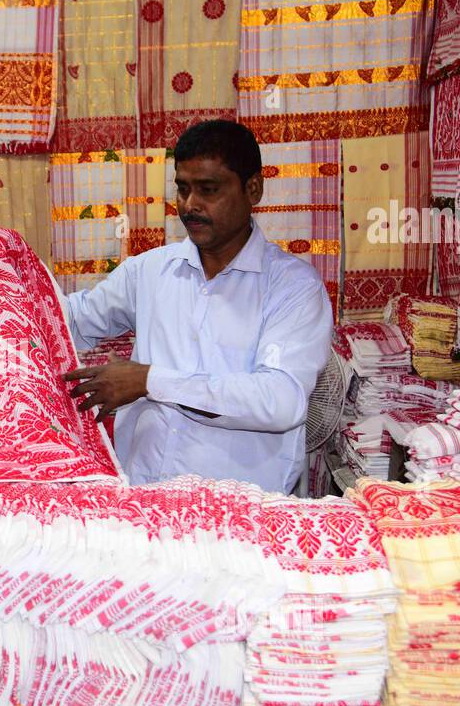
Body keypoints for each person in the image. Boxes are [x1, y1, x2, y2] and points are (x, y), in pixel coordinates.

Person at [61, 119, 333, 493]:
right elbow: (68, 321)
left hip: (239, 510)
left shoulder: (293, 288)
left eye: (209, 189)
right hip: (140, 496)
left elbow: (280, 401)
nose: (190, 205)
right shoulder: (151, 271)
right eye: (183, 189)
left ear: (253, 189)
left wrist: (150, 381)